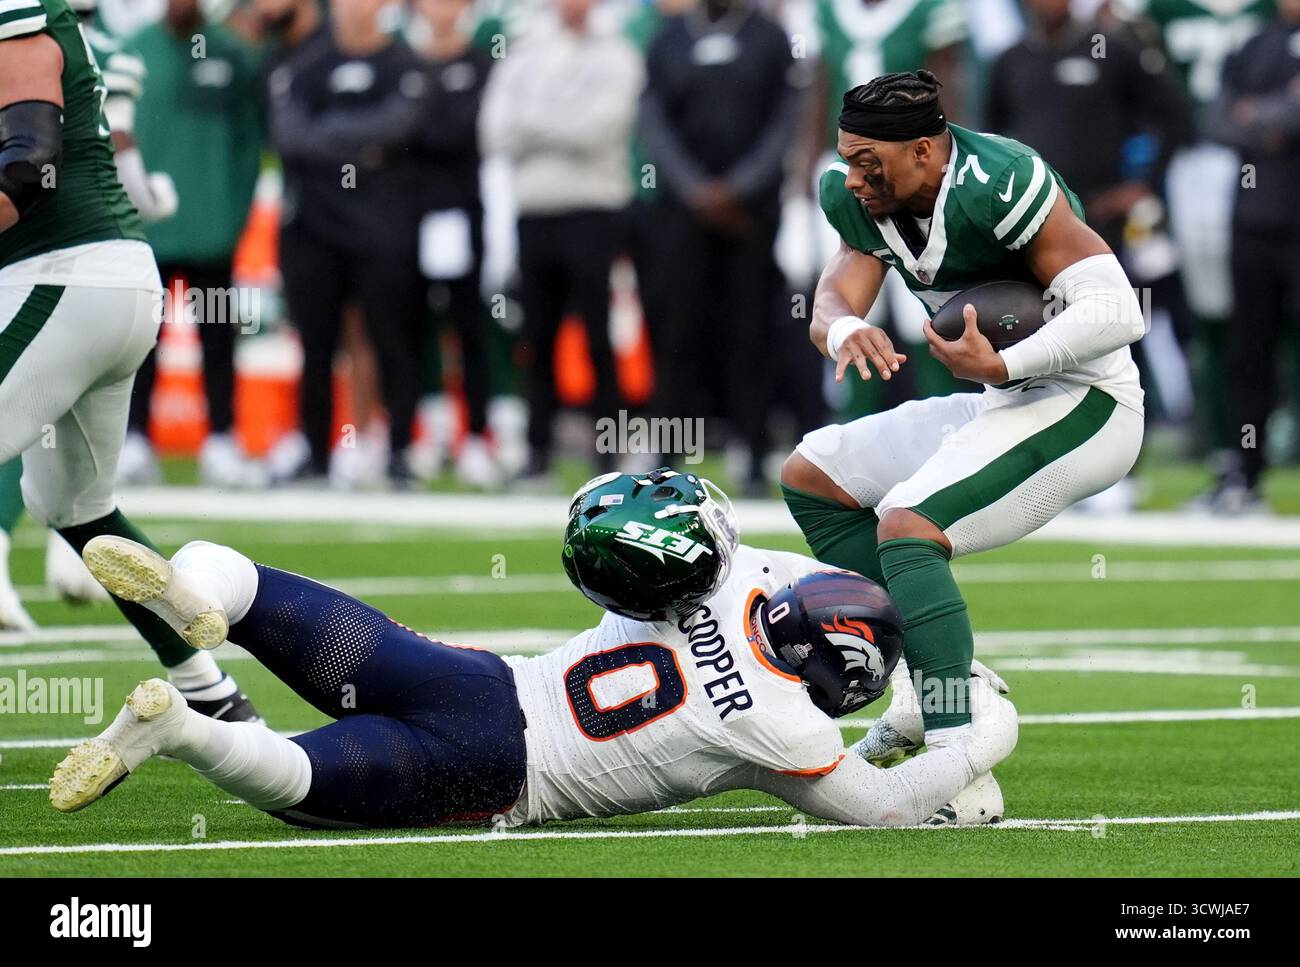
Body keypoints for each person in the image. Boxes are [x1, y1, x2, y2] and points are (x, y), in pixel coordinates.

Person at [50, 470, 1017, 828]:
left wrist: (899, 705)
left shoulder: (732, 575)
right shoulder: (781, 725)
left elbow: (785, 568)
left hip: (478, 680)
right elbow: (886, 807)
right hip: (500, 769)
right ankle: (179, 728)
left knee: (249, 580)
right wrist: (981, 735)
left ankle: (196, 588)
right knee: (296, 784)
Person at [780, 71, 1146, 757]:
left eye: (868, 161)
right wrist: (844, 328)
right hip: (1004, 397)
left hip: (1085, 399)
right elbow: (833, 297)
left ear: (923, 150)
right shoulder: (860, 198)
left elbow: (1119, 311)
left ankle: (958, 754)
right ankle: (941, 678)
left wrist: (1005, 363)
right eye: (847, 158)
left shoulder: (999, 182)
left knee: (908, 526)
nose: (853, 178)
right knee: (814, 476)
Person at [0, 0, 260, 720]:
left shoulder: (17, 11)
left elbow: (28, 165)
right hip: (94, 280)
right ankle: (211, 690)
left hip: (67, 272)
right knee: (76, 507)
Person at [637, 0, 801, 493]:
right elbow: (653, 120)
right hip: (680, 216)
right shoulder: (668, 39)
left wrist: (738, 189)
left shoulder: (770, 39)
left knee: (750, 331)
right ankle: (668, 456)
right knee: (677, 334)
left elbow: (784, 121)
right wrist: (696, 190)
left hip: (751, 217)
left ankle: (751, 452)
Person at [267, 0, 432, 486]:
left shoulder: (405, 65)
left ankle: (399, 450)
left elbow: (400, 127)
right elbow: (289, 135)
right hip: (314, 228)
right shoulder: (305, 66)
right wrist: (363, 149)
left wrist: (330, 134)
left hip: (383, 228)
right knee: (316, 344)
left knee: (393, 340)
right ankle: (316, 453)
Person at [479, 0, 643, 482]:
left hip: (593, 208)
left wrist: (535, 122)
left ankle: (608, 448)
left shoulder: (617, 51)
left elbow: (605, 126)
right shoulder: (525, 48)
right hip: (535, 210)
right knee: (536, 336)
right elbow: (494, 130)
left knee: (598, 334)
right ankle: (537, 450)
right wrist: (562, 118)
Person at [122, 0, 267, 488]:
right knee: (140, 341)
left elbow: (250, 143)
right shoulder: (135, 50)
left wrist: (234, 214)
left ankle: (222, 439)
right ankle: (134, 439)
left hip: (212, 232)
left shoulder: (231, 54)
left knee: (218, 337)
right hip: (148, 232)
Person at [1203, 0, 1300, 512]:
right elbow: (1217, 121)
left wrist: (1257, 113)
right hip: (1255, 222)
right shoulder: (1254, 45)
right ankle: (1245, 473)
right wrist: (1279, 113)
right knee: (1249, 353)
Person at [412, 0, 498, 488]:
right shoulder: (408, 63)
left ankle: (479, 436)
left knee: (470, 326)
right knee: (415, 325)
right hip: (412, 214)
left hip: (465, 211)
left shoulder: (480, 63)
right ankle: (428, 433)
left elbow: (467, 130)